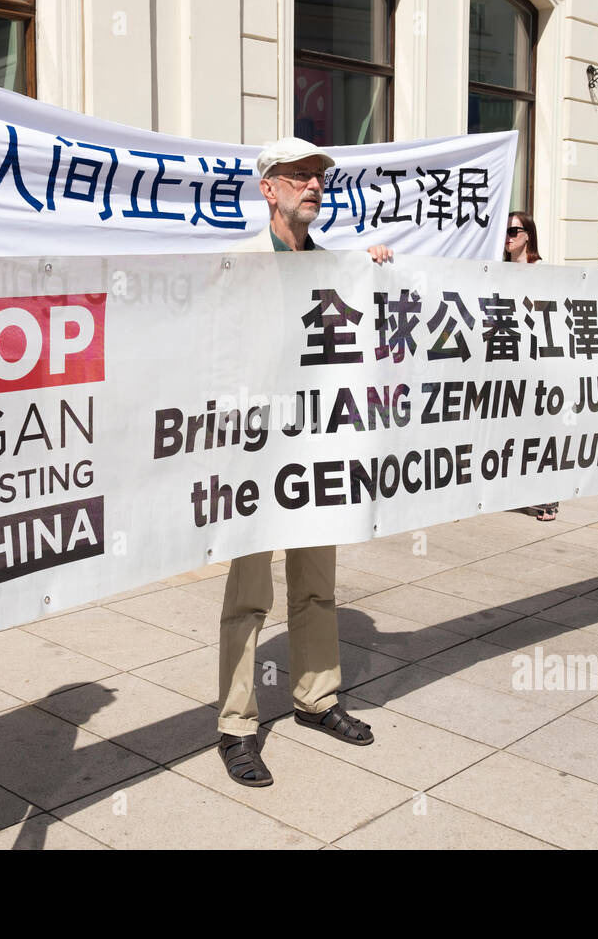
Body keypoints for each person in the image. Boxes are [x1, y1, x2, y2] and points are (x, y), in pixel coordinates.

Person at [216, 137, 391, 787]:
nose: (314, 186)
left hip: (317, 451)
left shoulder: (338, 267)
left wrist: (373, 274)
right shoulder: (236, 263)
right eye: (300, 177)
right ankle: (236, 726)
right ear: (269, 189)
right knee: (249, 596)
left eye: (320, 178)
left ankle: (317, 698)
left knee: (318, 582)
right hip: (257, 456)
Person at [502, 210, 557, 521]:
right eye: (505, 231)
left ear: (528, 236)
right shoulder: (497, 270)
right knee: (515, 428)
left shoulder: (541, 270)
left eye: (514, 231)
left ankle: (547, 496)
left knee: (540, 427)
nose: (508, 237)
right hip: (509, 359)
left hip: (538, 360)